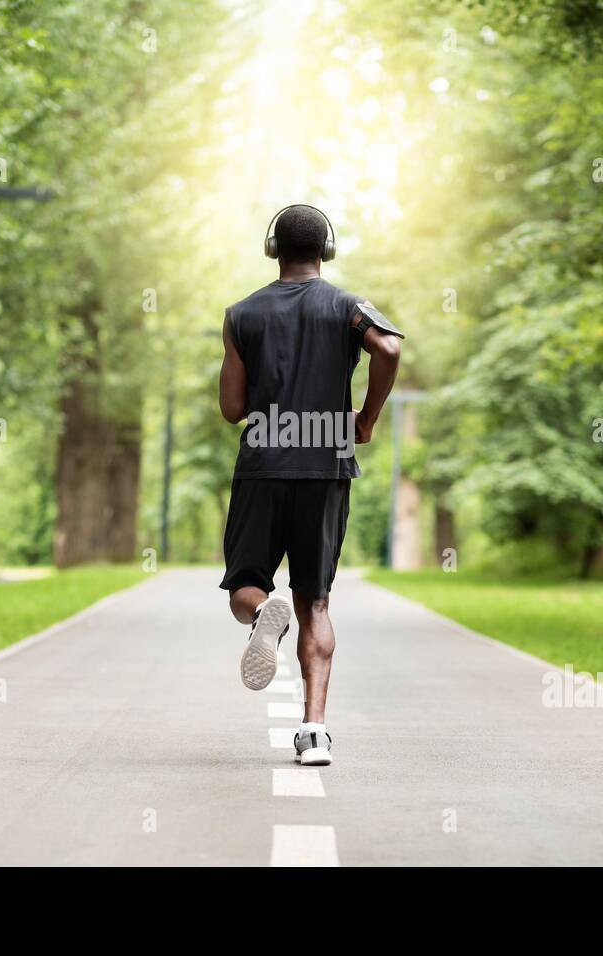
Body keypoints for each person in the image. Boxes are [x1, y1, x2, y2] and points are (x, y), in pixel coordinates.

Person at [217, 203, 403, 766]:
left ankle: (261, 612)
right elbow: (390, 348)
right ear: (326, 250)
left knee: (246, 586)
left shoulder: (241, 313)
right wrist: (365, 420)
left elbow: (231, 409)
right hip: (326, 465)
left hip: (264, 463)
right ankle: (314, 731)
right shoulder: (348, 307)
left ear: (273, 249)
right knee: (316, 602)